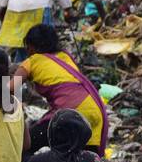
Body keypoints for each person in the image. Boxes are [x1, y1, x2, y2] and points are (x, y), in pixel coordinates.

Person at [10, 23, 108, 155]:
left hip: (72, 111)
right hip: (94, 109)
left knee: (26, 145)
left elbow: (9, 89)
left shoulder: (32, 61)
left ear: (32, 46)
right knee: (86, 160)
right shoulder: (65, 57)